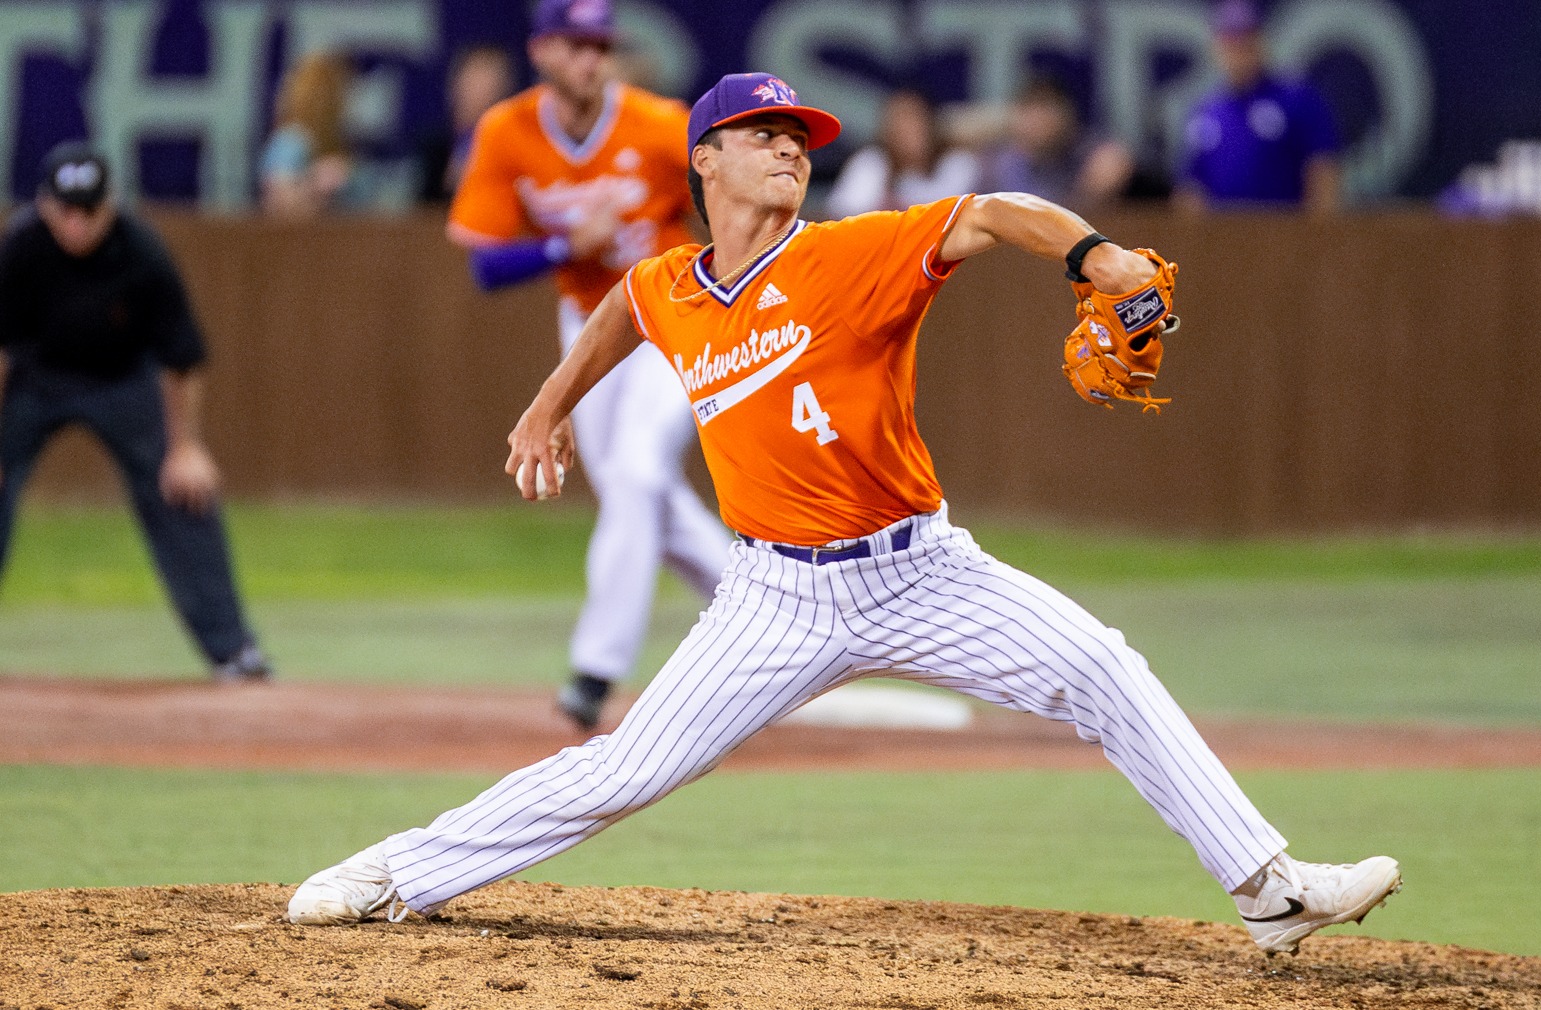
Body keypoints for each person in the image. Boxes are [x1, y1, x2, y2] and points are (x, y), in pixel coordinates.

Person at [286, 71, 1402, 956]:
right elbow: (624, 308)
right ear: (706, 157)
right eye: (764, 132)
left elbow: (987, 213)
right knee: (624, 770)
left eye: (801, 136)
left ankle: (1268, 889)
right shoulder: (674, 286)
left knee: (1102, 665)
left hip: (921, 571)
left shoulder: (850, 253)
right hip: (772, 596)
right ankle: (397, 872)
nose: (791, 148)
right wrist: (547, 406)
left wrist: (1094, 254)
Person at [444, 0, 734, 732]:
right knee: (643, 497)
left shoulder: (659, 124)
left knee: (636, 471)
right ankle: (767, 609)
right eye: (575, 44)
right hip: (590, 327)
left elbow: (732, 202)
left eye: (600, 45)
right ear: (541, 51)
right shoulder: (508, 130)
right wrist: (564, 246)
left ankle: (594, 672)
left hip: (673, 317)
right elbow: (484, 265)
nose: (590, 59)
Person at [0, 143, 270, 683]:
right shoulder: (22, 246)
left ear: (113, 204)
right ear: (44, 205)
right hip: (34, 380)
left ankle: (233, 651)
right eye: (65, 210)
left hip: (121, 381)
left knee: (184, 489)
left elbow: (181, 357)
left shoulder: (141, 249)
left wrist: (185, 447)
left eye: (90, 210)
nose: (77, 224)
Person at [1174, 0, 1342, 214]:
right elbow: (1191, 190)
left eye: (1246, 38)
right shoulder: (1205, 112)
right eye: (1230, 40)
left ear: (1261, 41)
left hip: (1285, 229)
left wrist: (1320, 230)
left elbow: (1323, 171)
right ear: (1216, 46)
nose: (1238, 49)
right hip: (1222, 231)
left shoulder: (1297, 99)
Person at [981, 75, 1136, 209]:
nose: (1037, 119)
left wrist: (1088, 194)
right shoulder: (1002, 163)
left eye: (1045, 107)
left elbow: (1114, 161)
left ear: (1067, 114)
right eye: (1029, 108)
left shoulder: (1094, 155)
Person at [826, 87, 980, 217]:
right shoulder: (871, 161)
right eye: (899, 122)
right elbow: (842, 213)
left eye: (914, 120)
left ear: (930, 123)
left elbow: (949, 214)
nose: (906, 130)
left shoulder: (958, 162)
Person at [260, 50, 362, 217]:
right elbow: (280, 204)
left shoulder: (331, 144)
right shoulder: (290, 141)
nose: (348, 106)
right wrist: (316, 184)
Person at [414, 45, 517, 205]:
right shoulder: (432, 147)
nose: (480, 91)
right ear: (455, 84)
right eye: (473, 80)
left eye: (490, 81)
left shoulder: (514, 148)